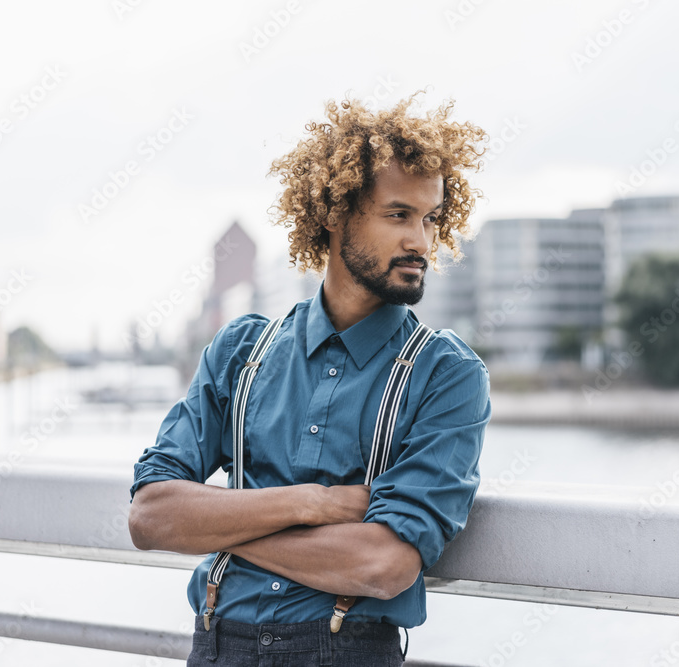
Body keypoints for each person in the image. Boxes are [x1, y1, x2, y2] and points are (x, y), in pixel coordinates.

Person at [128, 92, 491, 666]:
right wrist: (314, 503)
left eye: (431, 219)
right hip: (218, 648)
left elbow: (382, 564)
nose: (421, 241)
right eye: (399, 215)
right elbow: (151, 515)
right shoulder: (239, 351)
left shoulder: (446, 375)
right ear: (333, 212)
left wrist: (218, 522)